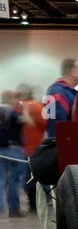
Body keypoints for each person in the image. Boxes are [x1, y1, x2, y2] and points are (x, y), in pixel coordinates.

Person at [0, 89, 32, 217]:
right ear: (11, 99)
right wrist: (25, 110)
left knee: (1, 180)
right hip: (13, 150)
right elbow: (28, 122)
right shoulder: (11, 112)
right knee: (15, 180)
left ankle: (1, 208)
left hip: (1, 150)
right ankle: (14, 209)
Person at [15, 85, 44, 212]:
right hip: (37, 148)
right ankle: (40, 202)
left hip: (21, 149)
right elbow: (44, 126)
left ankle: (31, 203)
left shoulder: (16, 109)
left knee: (25, 178)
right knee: (40, 176)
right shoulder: (39, 107)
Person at [44, 58, 78, 139]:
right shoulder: (56, 93)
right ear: (72, 72)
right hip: (61, 145)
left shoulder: (69, 92)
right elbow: (55, 126)